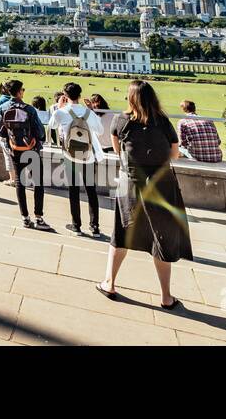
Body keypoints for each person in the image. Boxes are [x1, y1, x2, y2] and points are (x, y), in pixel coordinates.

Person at [97, 80, 193, 308]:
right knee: (162, 238)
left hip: (131, 183)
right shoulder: (163, 121)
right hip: (161, 185)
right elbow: (174, 154)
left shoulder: (121, 120)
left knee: (121, 234)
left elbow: (119, 150)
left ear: (130, 99)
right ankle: (166, 296)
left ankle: (109, 283)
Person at [48, 81, 106, 237]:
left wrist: (59, 107)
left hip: (70, 156)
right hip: (88, 156)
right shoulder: (88, 113)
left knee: (73, 191)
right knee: (91, 191)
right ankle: (95, 227)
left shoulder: (61, 112)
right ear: (80, 95)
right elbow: (100, 131)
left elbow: (52, 126)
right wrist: (90, 113)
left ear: (65, 96)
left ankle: (76, 226)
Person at [0, 79, 52, 231]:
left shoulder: (3, 108)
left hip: (15, 149)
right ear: (20, 91)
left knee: (20, 183)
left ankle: (25, 218)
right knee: (38, 183)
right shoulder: (29, 109)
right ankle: (39, 217)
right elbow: (40, 132)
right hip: (31, 149)